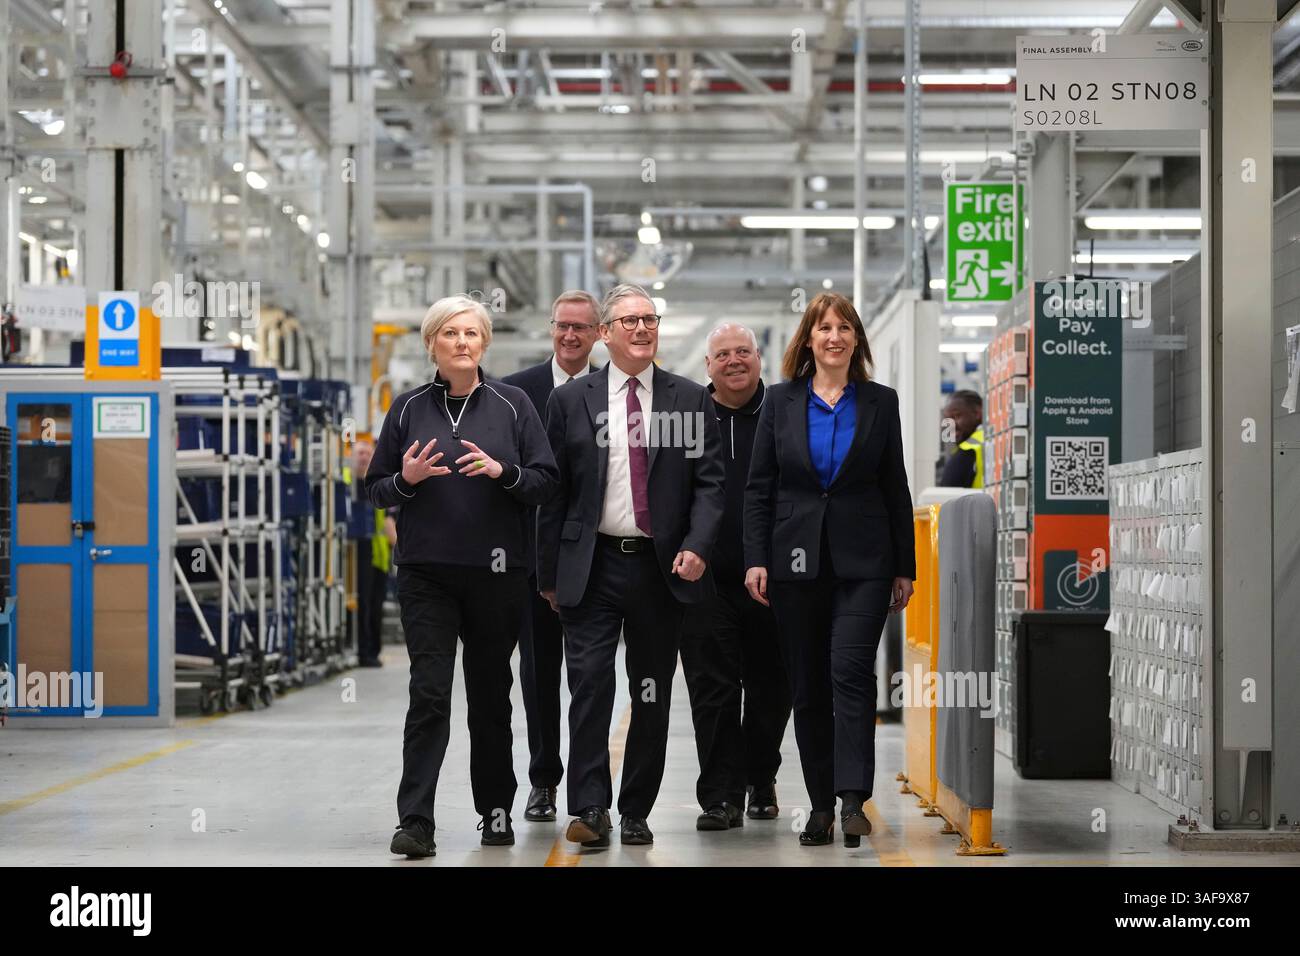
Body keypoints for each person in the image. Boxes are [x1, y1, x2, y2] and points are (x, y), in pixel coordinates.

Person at [366, 293, 559, 858]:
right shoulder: (406, 408)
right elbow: (376, 489)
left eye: (471, 333)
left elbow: (546, 482)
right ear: (432, 343)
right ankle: (416, 821)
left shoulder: (514, 404)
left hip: (496, 574)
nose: (461, 342)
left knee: (490, 694)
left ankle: (495, 810)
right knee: (429, 693)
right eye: (450, 333)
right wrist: (407, 480)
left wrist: (504, 472)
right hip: (427, 574)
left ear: (485, 342)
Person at [537, 282, 725, 848]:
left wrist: (698, 543)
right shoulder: (572, 401)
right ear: (604, 333)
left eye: (650, 319)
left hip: (660, 569)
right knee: (590, 687)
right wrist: (549, 575)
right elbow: (554, 494)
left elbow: (711, 485)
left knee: (650, 692)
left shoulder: (690, 398)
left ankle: (636, 808)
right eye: (630, 321)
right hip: (592, 566)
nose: (642, 329)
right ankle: (590, 808)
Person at [743, 292, 916, 848]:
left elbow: (895, 486)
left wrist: (904, 566)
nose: (835, 336)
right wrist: (755, 558)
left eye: (845, 327)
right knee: (809, 687)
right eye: (824, 328)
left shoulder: (879, 402)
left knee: (849, 673)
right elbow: (759, 488)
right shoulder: (779, 401)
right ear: (809, 340)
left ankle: (851, 800)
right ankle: (818, 804)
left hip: (864, 562)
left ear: (856, 340)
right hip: (795, 561)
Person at [680, 323, 791, 831]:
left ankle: (760, 776)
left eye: (742, 351)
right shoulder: (685, 417)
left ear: (759, 358)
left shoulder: (785, 411)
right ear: (708, 366)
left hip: (773, 576)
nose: (733, 360)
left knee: (772, 686)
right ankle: (721, 796)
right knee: (713, 689)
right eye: (722, 354)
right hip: (705, 578)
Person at [501, 290, 601, 823]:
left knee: (590, 676)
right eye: (563, 326)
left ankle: (592, 788)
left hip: (591, 557)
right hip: (529, 558)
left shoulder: (612, 390)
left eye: (581, 328)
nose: (570, 336)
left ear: (598, 334)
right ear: (550, 328)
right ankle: (543, 781)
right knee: (538, 674)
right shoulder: (517, 393)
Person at [350, 439, 393, 667]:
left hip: (378, 555)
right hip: (353, 553)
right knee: (360, 602)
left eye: (368, 453)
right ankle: (362, 651)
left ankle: (373, 651)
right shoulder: (345, 483)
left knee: (375, 604)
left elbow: (388, 520)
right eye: (360, 453)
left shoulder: (377, 484)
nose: (364, 457)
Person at [939, 390, 984, 488]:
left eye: (956, 416)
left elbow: (946, 496)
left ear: (977, 413)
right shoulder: (993, 440)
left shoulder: (967, 451)